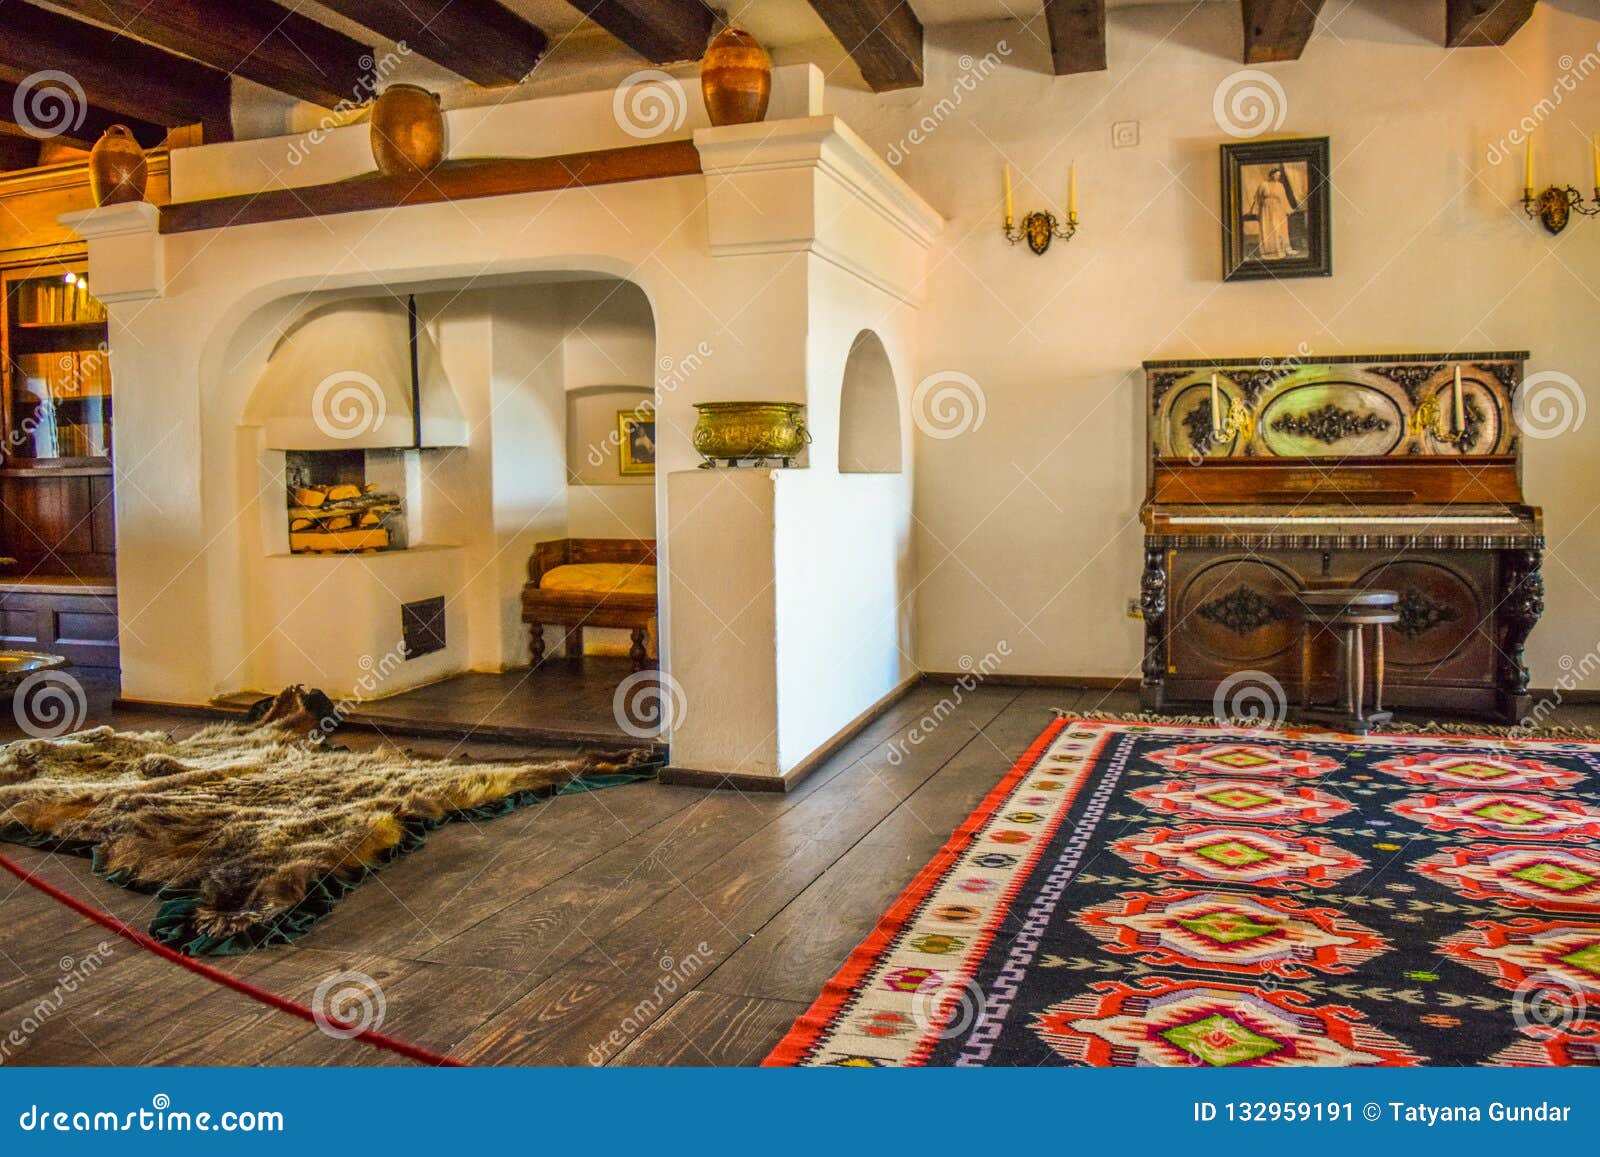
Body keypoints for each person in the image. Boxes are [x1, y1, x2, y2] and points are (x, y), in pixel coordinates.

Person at [1250, 166, 1299, 260]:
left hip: (1278, 210)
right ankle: (1267, 250)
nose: (1277, 177)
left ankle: (1279, 249)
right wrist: (1256, 210)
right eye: (1276, 175)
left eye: (1279, 176)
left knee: (1278, 228)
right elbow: (1257, 198)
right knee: (1267, 228)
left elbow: (1284, 199)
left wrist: (1288, 209)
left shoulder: (1280, 185)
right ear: (1271, 175)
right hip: (1266, 210)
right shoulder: (1263, 184)